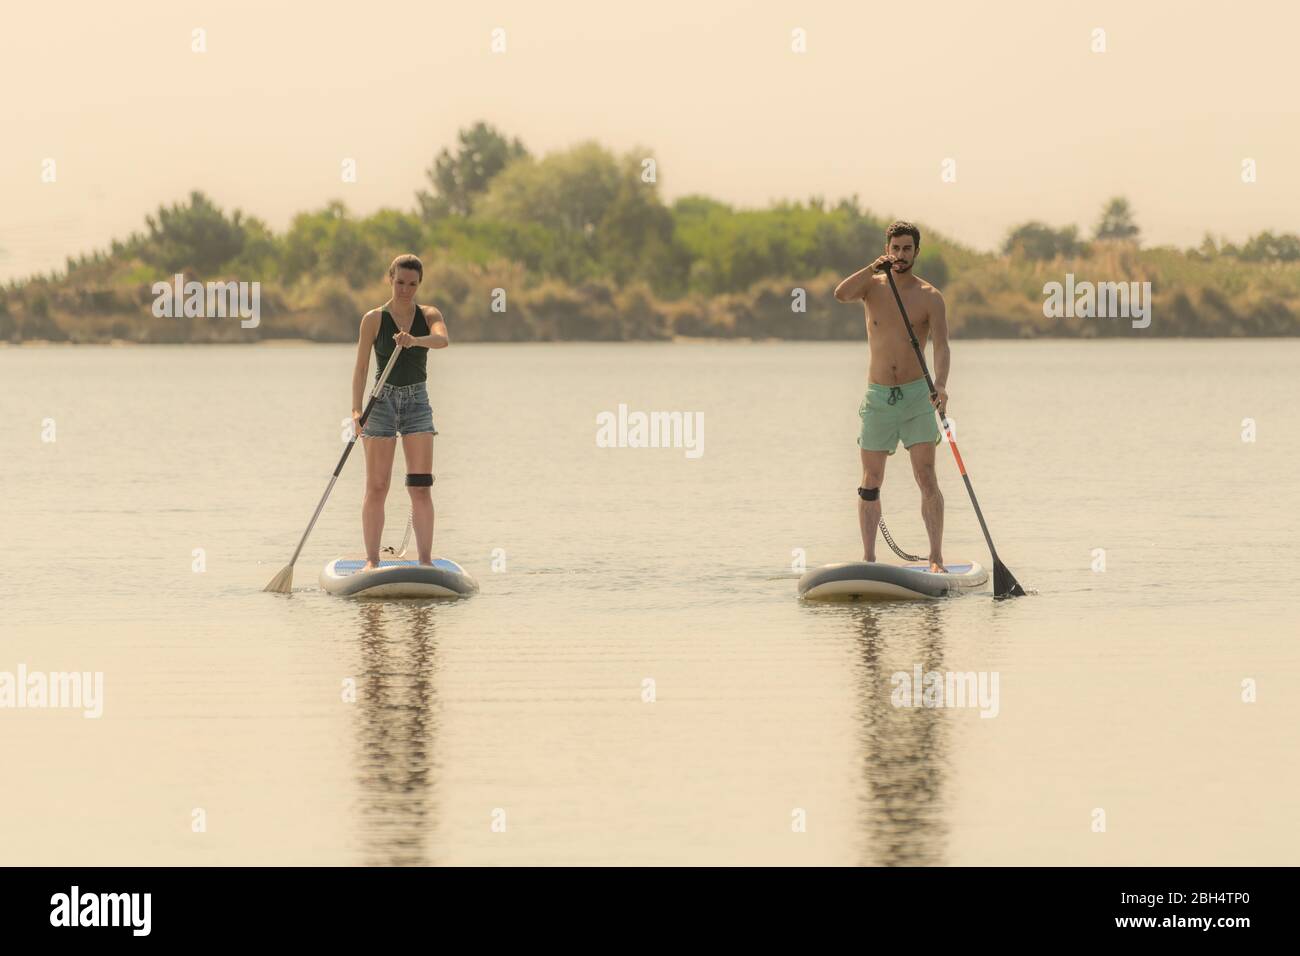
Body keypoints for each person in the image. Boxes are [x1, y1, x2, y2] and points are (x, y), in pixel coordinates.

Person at [833, 221, 949, 572]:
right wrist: (872, 268)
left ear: (916, 252)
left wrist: (940, 386)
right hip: (879, 396)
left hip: (917, 396)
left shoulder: (930, 296)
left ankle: (935, 558)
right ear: (887, 249)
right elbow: (840, 294)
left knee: (926, 476)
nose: (900, 255)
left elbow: (942, 346)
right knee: (871, 481)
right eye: (895, 248)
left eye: (907, 249)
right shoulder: (871, 286)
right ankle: (869, 559)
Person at [352, 254, 449, 569]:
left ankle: (425, 562)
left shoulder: (429, 313)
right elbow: (362, 367)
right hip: (380, 403)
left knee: (420, 486)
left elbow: (442, 340)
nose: (406, 289)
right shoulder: (374, 319)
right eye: (400, 283)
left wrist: (413, 340)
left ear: (419, 284)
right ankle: (371, 561)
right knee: (377, 486)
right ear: (389, 280)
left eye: (412, 284)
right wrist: (356, 412)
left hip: (416, 402)